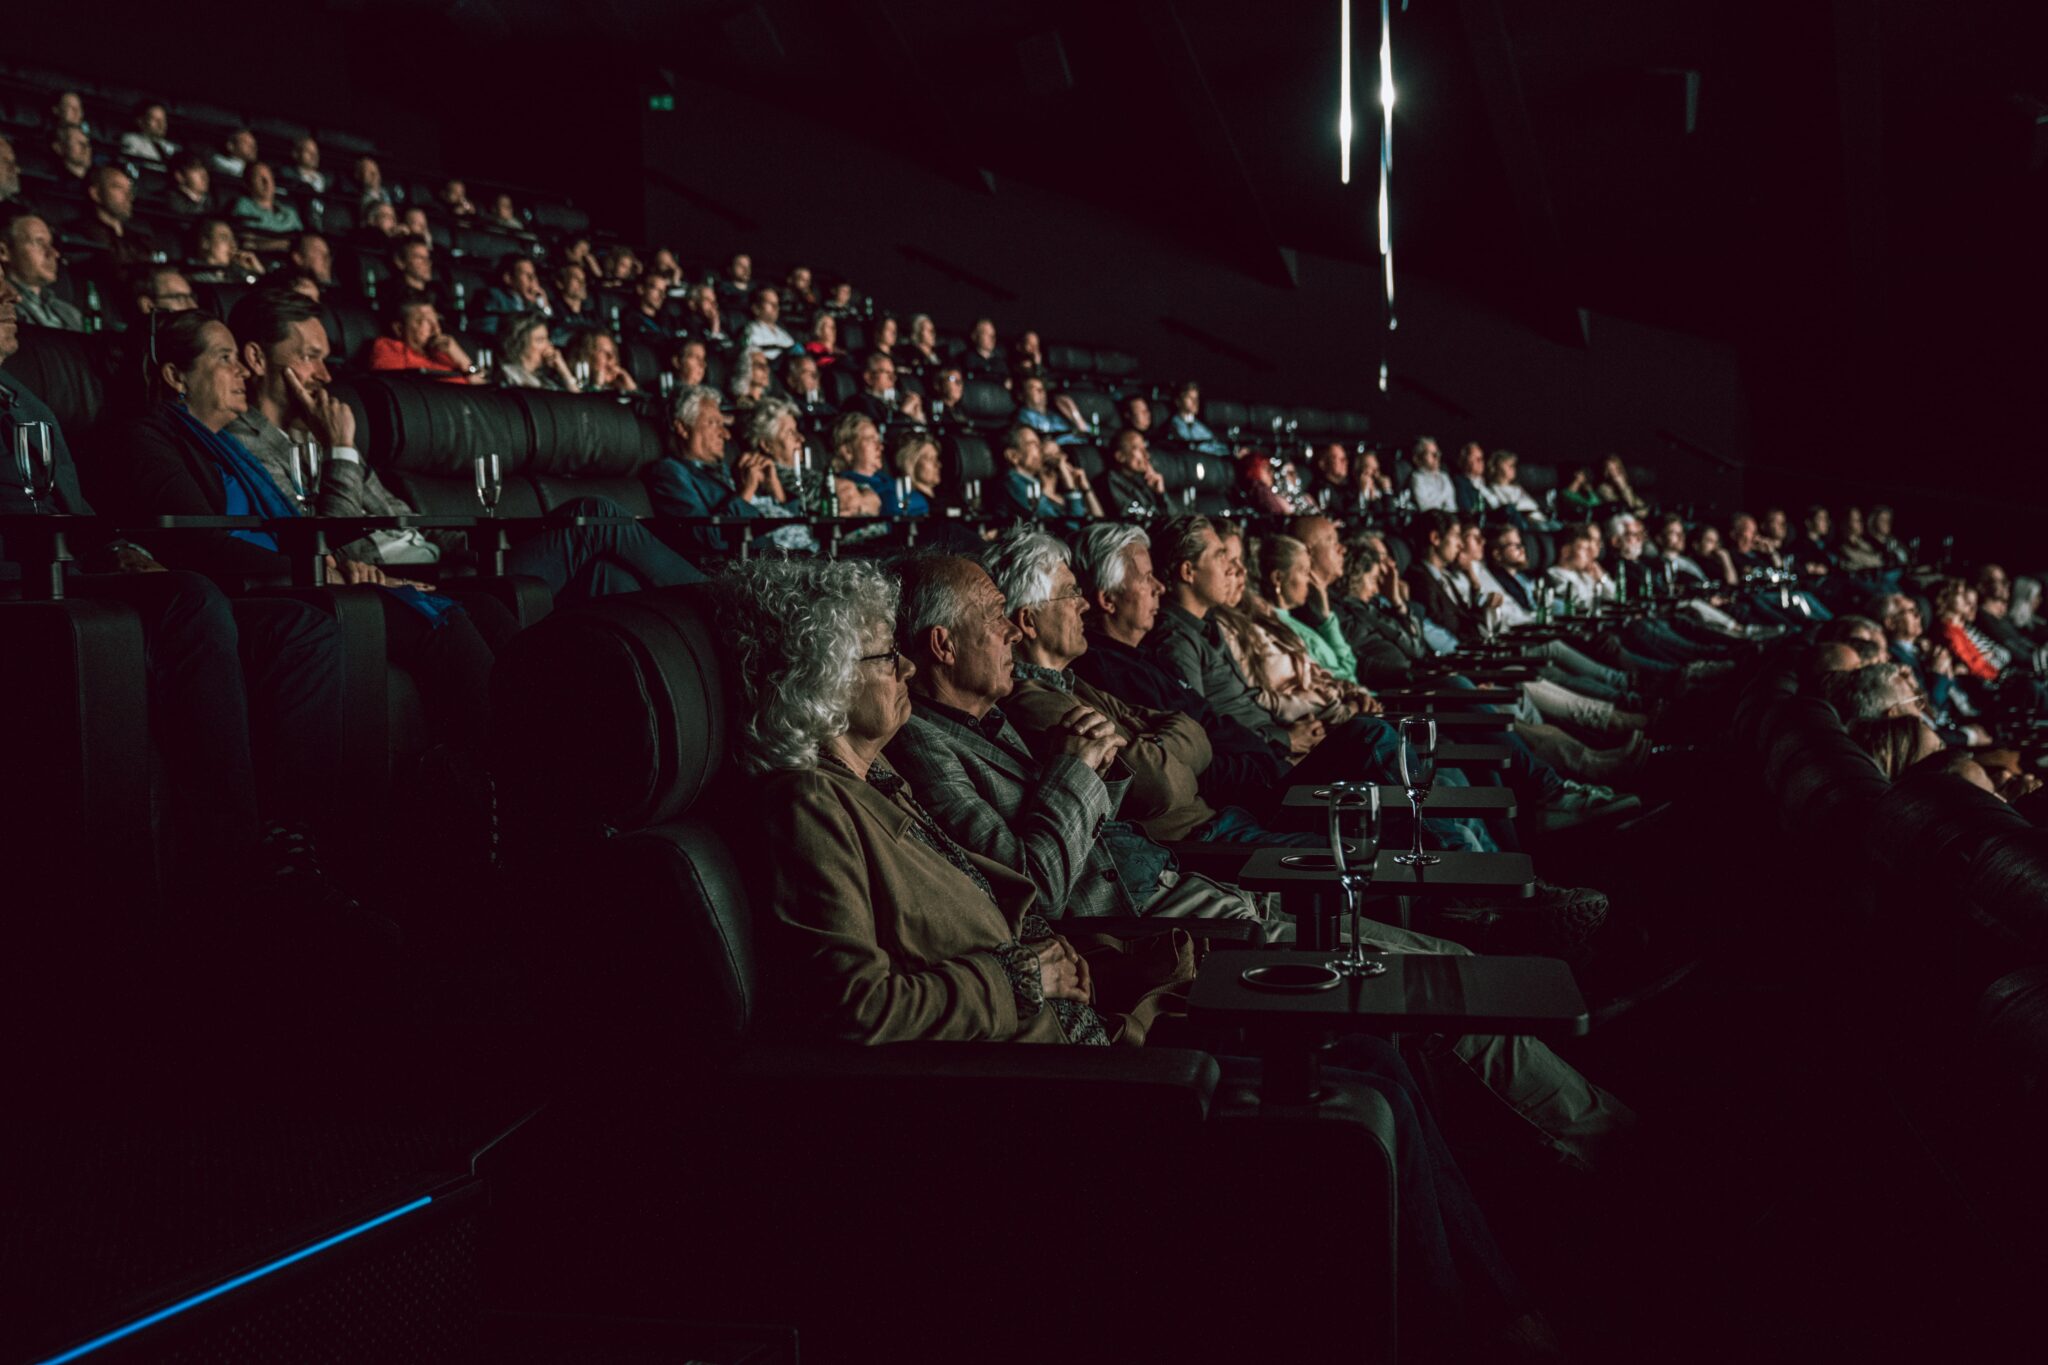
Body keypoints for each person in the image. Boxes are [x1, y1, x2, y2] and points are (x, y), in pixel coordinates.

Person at [733, 571, 1559, 1362]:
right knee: (1366, 1072)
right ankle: (1483, 1329)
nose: (906, 664)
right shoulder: (810, 805)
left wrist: (1095, 961)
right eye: (885, 654)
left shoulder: (876, 784)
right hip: (1050, 1085)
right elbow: (858, 1003)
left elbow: (1039, 874)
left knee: (1371, 1054)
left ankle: (1495, 1313)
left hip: (1095, 1003)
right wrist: (1033, 976)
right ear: (822, 678)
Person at [0, 279, 360, 922]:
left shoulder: (27, 400)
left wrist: (111, 547)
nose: (9, 298)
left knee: (300, 627)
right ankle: (241, 857)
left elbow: (77, 514)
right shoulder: (147, 435)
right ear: (173, 374)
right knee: (191, 595)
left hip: (73, 566)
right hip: (19, 582)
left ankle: (302, 846)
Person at [91, 309, 511, 755]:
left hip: (300, 576)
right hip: (265, 589)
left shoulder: (224, 449)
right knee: (444, 627)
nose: (242, 372)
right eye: (224, 358)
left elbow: (298, 531)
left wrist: (339, 568)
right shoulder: (150, 437)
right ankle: (510, 783)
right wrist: (324, 573)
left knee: (485, 604)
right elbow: (201, 544)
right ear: (176, 375)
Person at [884, 554, 1265, 930]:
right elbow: (1033, 889)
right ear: (943, 645)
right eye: (995, 615)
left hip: (1168, 882)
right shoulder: (922, 745)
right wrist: (1075, 769)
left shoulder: (990, 717)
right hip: (1137, 923)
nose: (1012, 632)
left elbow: (1089, 824)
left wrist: (1098, 771)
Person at [647, 383, 771, 562]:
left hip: (772, 561)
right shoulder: (670, 473)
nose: (726, 435)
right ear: (682, 427)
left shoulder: (726, 471)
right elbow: (707, 538)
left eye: (723, 424)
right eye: (713, 423)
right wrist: (746, 493)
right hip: (734, 575)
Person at [0, 208, 86, 331]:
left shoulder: (70, 313)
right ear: (4, 252)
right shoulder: (4, 309)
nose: (53, 253)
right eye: (39, 242)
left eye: (50, 244)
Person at [996, 424, 1101, 521]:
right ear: (1013, 456)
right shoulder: (1014, 483)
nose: (1040, 450)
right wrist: (1070, 489)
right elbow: (1068, 526)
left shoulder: (1034, 484)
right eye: (1034, 444)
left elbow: (1099, 520)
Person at [368, 296, 478, 383]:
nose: (436, 329)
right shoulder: (388, 349)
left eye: (436, 321)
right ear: (399, 329)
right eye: (425, 322)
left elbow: (484, 391)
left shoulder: (444, 352)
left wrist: (462, 360)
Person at [831, 413, 895, 517]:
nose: (880, 447)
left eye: (878, 440)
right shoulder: (848, 490)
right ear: (848, 451)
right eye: (870, 439)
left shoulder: (888, 480)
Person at [841, 350, 924, 429]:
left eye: (893, 373)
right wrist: (903, 413)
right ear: (868, 377)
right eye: (887, 373)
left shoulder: (898, 401)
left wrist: (918, 417)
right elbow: (882, 435)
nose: (893, 378)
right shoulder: (859, 403)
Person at [496, 314, 580, 391]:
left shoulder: (545, 380)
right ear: (520, 344)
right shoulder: (507, 376)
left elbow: (577, 404)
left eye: (547, 339)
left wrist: (564, 372)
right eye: (540, 340)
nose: (549, 345)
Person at [478, 253, 551, 336]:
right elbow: (488, 330)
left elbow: (551, 335)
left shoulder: (534, 303)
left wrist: (544, 306)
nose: (532, 279)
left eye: (533, 274)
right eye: (526, 274)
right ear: (508, 278)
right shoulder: (493, 296)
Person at [230, 162, 303, 244]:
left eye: (269, 177)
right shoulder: (243, 205)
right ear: (248, 184)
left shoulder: (290, 213)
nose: (266, 182)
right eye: (259, 178)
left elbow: (301, 243)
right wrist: (283, 244)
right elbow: (249, 242)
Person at [1105, 428, 1170, 518]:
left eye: (1145, 448)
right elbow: (1135, 520)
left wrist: (1160, 494)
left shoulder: (1145, 480)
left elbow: (1174, 520)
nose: (1147, 455)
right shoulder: (1111, 482)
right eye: (1138, 449)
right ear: (1120, 456)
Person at [1478, 449, 1553, 527]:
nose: (1513, 469)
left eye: (1513, 466)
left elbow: (1531, 506)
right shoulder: (1491, 489)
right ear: (1498, 467)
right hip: (1522, 524)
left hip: (1538, 519)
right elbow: (1504, 510)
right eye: (1510, 466)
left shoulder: (1517, 489)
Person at [1016, 374, 1089, 447]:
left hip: (1080, 449)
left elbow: (1086, 431)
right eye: (1034, 388)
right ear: (1021, 395)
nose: (1041, 391)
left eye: (1042, 388)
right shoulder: (1024, 417)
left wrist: (1074, 413)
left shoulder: (1054, 415)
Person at [565, 330, 637, 394]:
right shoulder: (570, 388)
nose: (611, 356)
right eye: (602, 351)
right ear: (586, 356)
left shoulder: (619, 391)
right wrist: (597, 387)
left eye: (613, 352)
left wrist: (633, 391)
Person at [892, 429, 940, 518]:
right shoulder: (911, 504)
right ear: (911, 463)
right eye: (930, 459)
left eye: (936, 458)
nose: (938, 465)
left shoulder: (946, 499)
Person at [741, 286, 796, 358]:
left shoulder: (782, 332)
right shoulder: (751, 331)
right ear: (756, 308)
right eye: (770, 303)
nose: (776, 307)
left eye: (777, 303)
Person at [622, 271, 677, 343]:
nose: (662, 296)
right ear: (641, 289)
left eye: (663, 291)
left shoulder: (667, 318)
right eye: (657, 290)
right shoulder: (630, 319)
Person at [1407, 435, 1455, 512]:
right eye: (1431, 454)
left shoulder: (1444, 477)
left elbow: (1451, 506)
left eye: (1437, 452)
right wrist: (1442, 499)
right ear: (1418, 458)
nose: (1437, 456)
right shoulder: (1417, 478)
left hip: (1448, 517)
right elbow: (1424, 507)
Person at [953, 317, 1005, 383]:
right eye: (986, 333)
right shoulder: (963, 360)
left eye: (993, 334)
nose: (992, 338)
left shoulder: (1001, 363)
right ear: (974, 336)